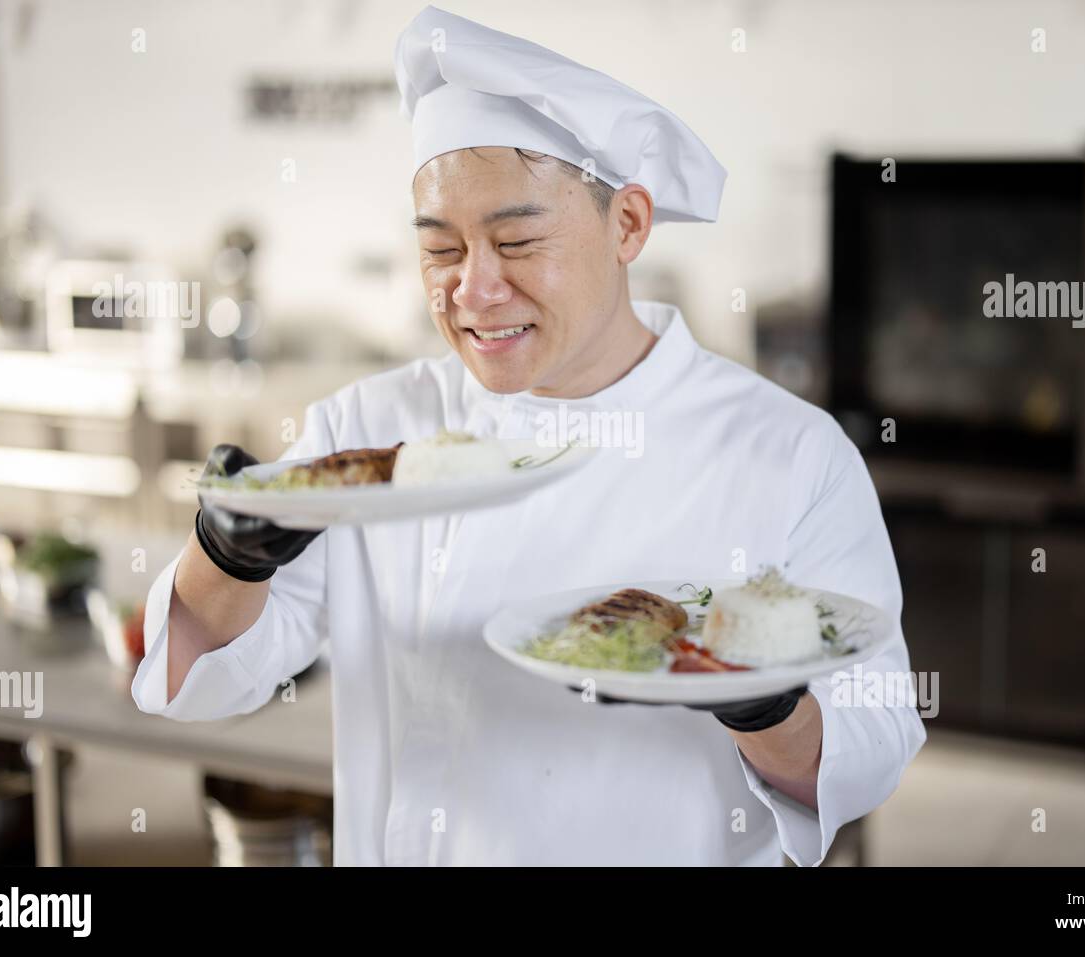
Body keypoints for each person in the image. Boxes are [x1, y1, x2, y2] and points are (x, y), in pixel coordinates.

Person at [132, 4, 926, 866]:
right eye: (440, 251)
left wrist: (765, 705)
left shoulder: (788, 454)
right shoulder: (369, 431)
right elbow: (206, 674)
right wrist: (227, 551)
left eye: (516, 241)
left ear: (628, 224)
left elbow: (867, 750)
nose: (473, 291)